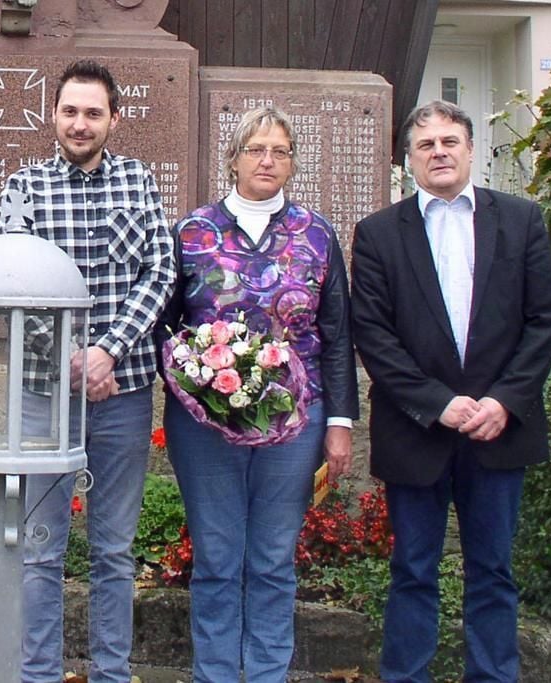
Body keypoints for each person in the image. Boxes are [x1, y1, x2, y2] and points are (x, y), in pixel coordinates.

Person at [351, 100, 551, 682]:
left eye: (449, 142)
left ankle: (493, 676)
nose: (438, 152)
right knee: (413, 568)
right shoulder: (378, 234)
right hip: (417, 430)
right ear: (408, 159)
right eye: (425, 145)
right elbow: (374, 332)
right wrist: (436, 402)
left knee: (493, 570)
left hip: (499, 429)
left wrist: (505, 400)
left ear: (470, 150)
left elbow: (544, 320)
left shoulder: (521, 220)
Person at [160, 106, 358, 682]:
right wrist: (194, 377)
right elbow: (166, 326)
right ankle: (217, 674)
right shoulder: (191, 232)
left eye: (279, 151)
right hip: (207, 426)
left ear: (292, 163)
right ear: (234, 158)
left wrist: (341, 420)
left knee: (272, 560)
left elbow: (338, 332)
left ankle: (268, 673)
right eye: (256, 149)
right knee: (218, 558)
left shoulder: (316, 234)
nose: (267, 160)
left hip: (296, 423)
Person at [0, 58, 175, 683]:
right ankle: (39, 674)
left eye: (93, 112)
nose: (80, 122)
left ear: (114, 119)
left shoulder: (140, 183)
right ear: (53, 115)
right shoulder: (24, 187)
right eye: (69, 110)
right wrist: (72, 359)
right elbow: (12, 285)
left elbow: (160, 274)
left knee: (115, 551)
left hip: (122, 393)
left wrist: (109, 351)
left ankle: (111, 674)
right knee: (40, 549)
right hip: (45, 392)